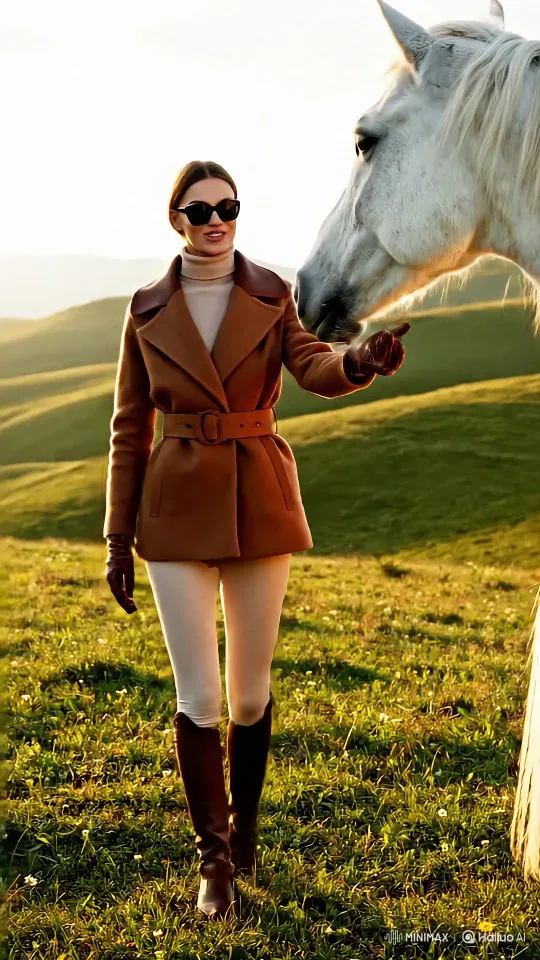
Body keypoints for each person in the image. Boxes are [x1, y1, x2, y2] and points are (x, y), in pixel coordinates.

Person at [103, 160, 409, 920]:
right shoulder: (145, 310)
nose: (217, 221)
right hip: (174, 507)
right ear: (175, 218)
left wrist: (358, 362)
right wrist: (116, 539)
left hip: (257, 499)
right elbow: (129, 429)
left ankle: (244, 835)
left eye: (228, 207)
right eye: (200, 210)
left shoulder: (273, 295)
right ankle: (214, 863)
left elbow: (312, 367)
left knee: (247, 693)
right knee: (199, 696)